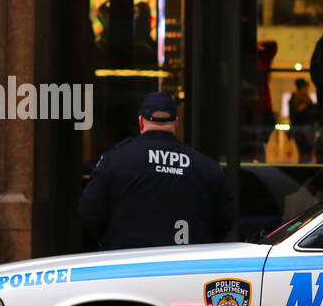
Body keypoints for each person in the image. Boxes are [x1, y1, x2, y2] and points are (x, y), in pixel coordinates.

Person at [78, 92, 235, 249]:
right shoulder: (207, 167)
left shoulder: (114, 160)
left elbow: (90, 213)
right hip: (186, 264)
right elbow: (225, 219)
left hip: (127, 263)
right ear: (176, 122)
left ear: (141, 122)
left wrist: (113, 241)